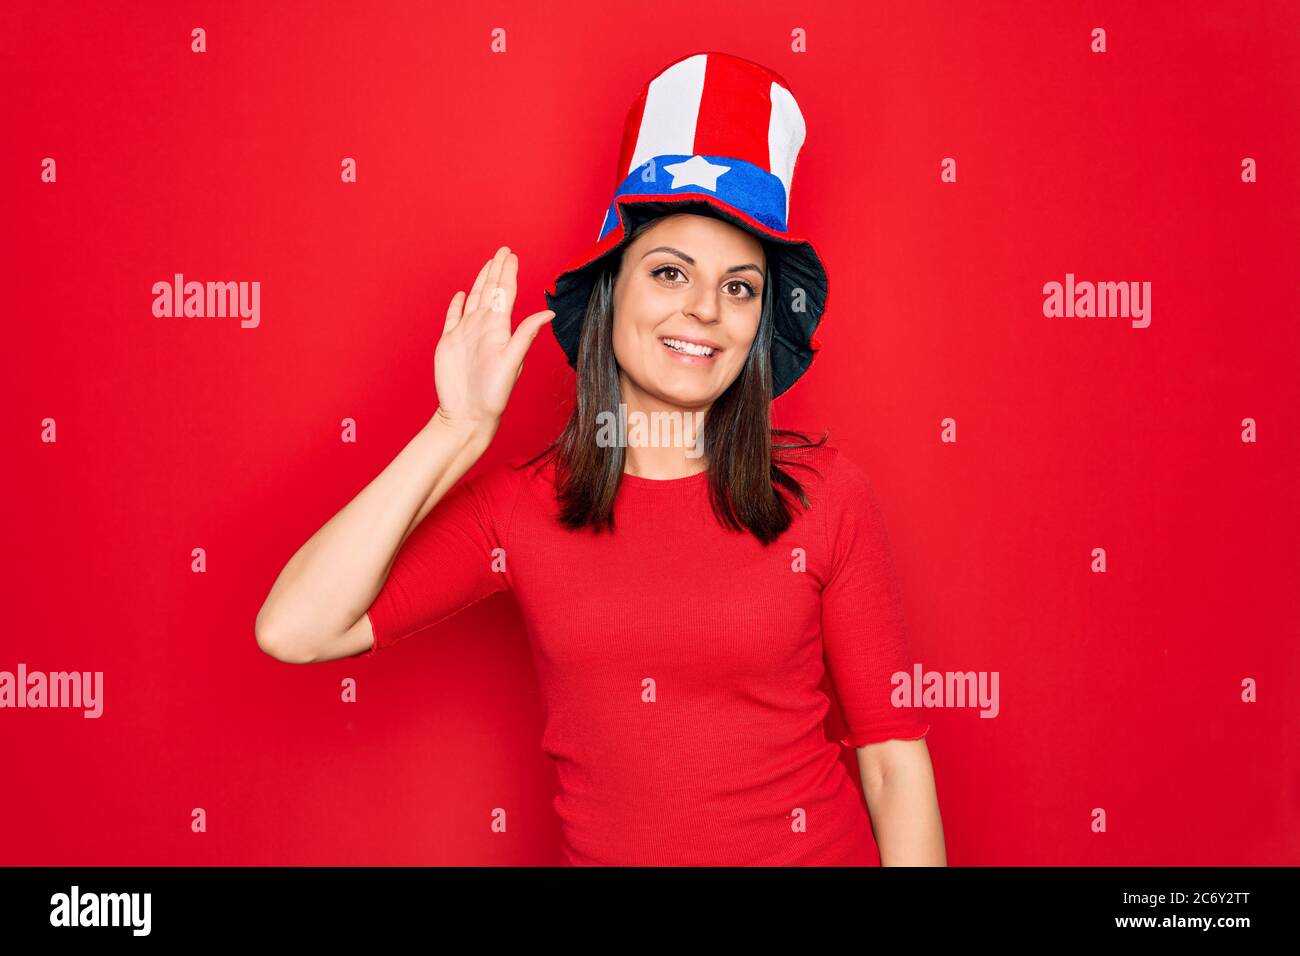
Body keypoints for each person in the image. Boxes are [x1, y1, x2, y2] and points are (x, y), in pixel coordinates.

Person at [255, 51, 945, 866]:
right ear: (612, 288)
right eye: (670, 271)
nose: (704, 310)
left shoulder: (826, 495)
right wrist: (457, 428)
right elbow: (296, 629)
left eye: (739, 287)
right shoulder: (521, 510)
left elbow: (894, 763)